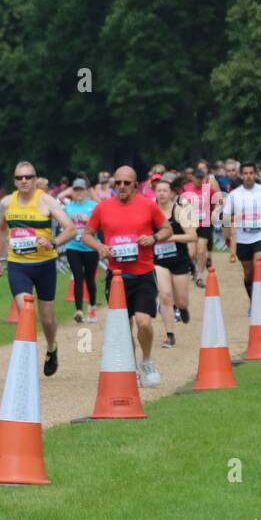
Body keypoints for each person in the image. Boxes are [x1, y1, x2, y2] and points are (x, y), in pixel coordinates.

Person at [83, 165, 170, 387]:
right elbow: (86, 235)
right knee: (124, 326)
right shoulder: (103, 208)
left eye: (126, 183)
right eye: (118, 182)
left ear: (135, 184)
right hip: (117, 276)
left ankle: (147, 360)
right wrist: (100, 246)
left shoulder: (147, 206)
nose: (121, 186)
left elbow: (167, 229)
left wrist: (153, 238)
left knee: (144, 322)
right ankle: (132, 369)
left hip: (142, 273)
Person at [0, 161, 79, 375]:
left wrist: (53, 243)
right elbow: (0, 229)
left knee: (47, 319)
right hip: (18, 265)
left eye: (28, 177)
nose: (24, 181)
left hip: (45, 265)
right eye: (19, 178)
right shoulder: (6, 203)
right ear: (14, 181)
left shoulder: (46, 201)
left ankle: (51, 347)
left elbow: (71, 229)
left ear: (34, 179)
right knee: (26, 312)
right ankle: (27, 359)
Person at [152, 176, 198, 348]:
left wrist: (170, 237)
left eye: (165, 190)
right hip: (158, 260)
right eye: (159, 190)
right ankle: (169, 334)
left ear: (172, 193)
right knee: (164, 295)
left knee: (181, 300)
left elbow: (192, 236)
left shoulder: (179, 211)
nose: (162, 193)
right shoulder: (150, 211)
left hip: (179, 259)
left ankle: (183, 308)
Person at [221, 161, 261, 305]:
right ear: (241, 175)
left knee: (259, 263)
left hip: (260, 235)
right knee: (248, 273)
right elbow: (226, 216)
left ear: (255, 174)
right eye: (245, 173)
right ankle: (253, 302)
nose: (248, 176)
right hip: (242, 238)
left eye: (251, 173)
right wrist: (226, 236)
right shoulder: (234, 195)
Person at [62, 178, 99, 323]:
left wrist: (88, 221)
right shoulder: (68, 208)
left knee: (90, 278)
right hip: (73, 247)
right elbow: (64, 225)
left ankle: (92, 307)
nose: (78, 193)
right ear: (72, 191)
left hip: (90, 247)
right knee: (77, 277)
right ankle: (78, 311)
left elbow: (99, 227)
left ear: (86, 191)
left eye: (81, 190)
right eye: (76, 190)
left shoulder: (93, 206)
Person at [182, 164, 222, 287]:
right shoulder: (186, 189)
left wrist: (216, 210)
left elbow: (219, 201)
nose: (199, 180)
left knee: (201, 250)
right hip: (191, 224)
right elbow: (179, 204)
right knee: (191, 253)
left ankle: (199, 276)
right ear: (192, 177)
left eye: (201, 177)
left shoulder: (208, 189)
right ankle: (193, 269)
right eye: (196, 177)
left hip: (205, 222)